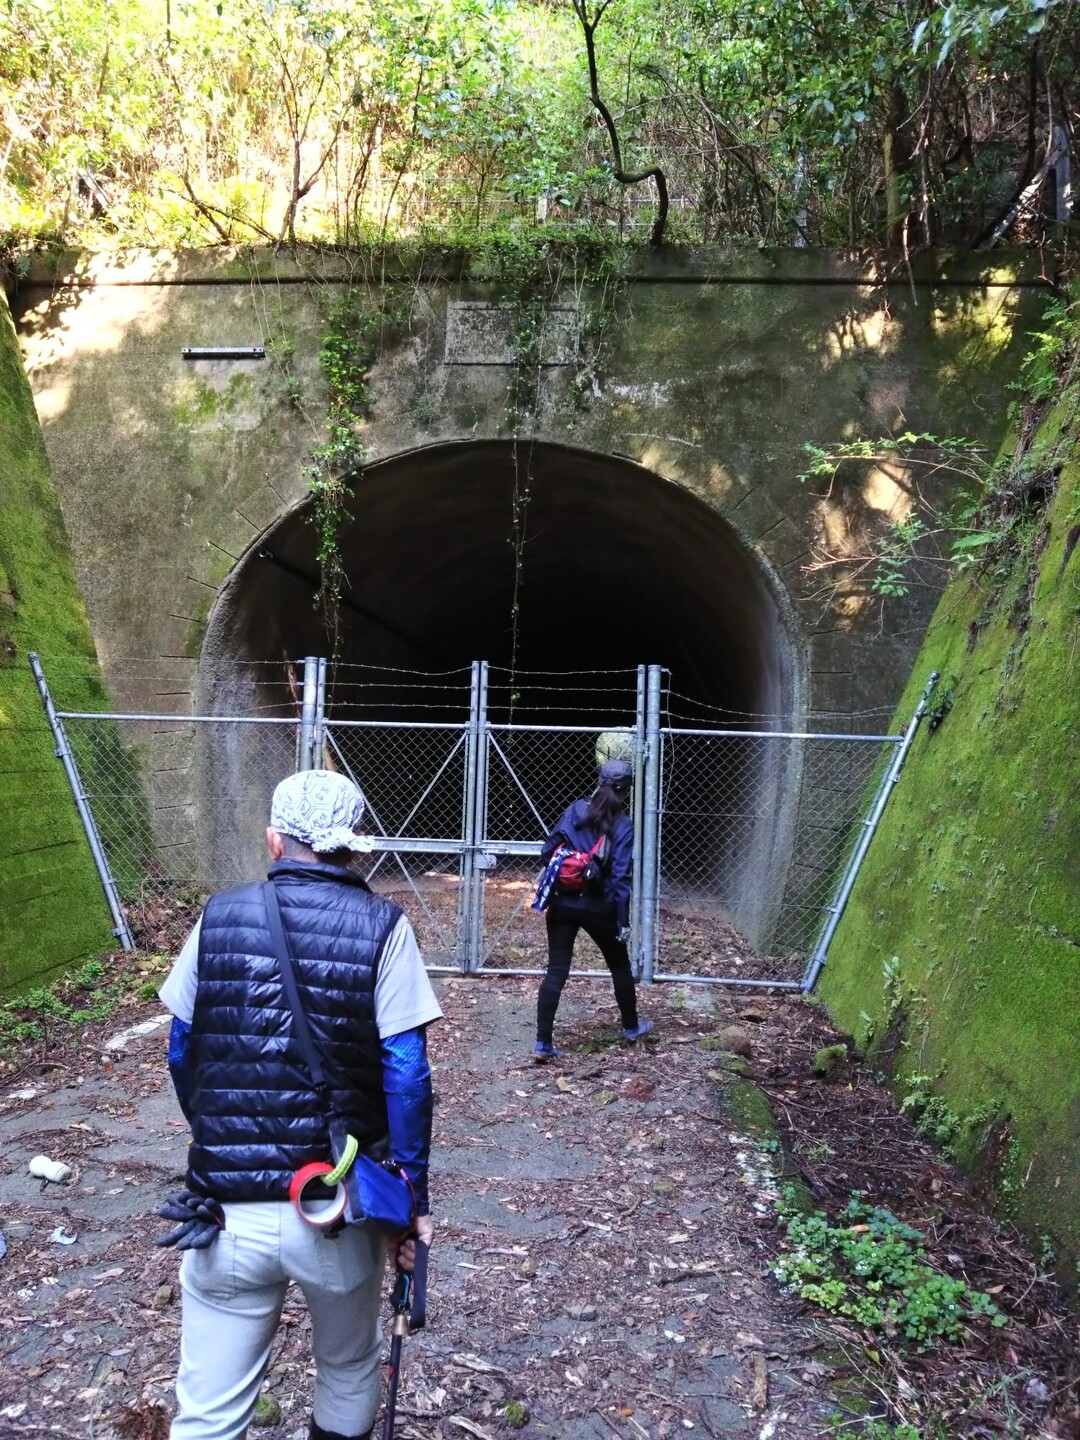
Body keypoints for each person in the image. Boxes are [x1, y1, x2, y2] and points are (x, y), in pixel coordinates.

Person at [157, 769, 441, 1440]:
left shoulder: (218, 917)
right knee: (346, 1367)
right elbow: (406, 1074)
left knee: (207, 1412)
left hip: (224, 1211)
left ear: (274, 840)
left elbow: (180, 1048)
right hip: (333, 1208)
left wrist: (219, 1139)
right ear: (352, 846)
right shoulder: (385, 929)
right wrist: (412, 1201)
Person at [534, 758, 653, 1059]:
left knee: (556, 970)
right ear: (626, 792)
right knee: (619, 966)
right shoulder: (623, 825)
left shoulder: (575, 809)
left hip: (562, 901)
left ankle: (542, 1043)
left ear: (599, 781)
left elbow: (548, 850)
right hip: (599, 905)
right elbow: (620, 878)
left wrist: (570, 861)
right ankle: (630, 1027)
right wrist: (622, 921)